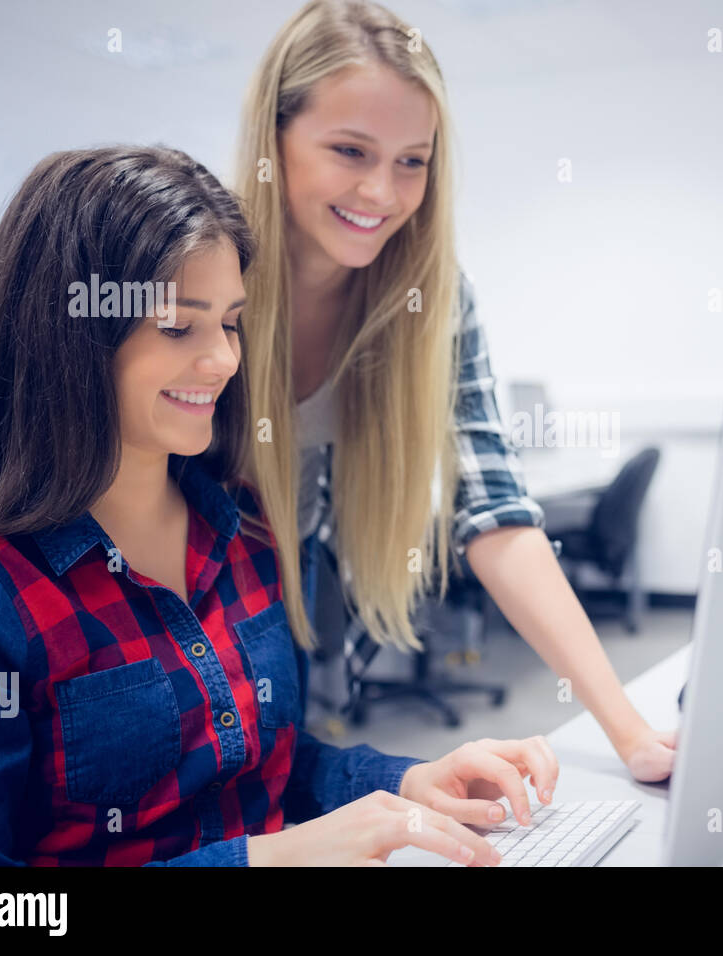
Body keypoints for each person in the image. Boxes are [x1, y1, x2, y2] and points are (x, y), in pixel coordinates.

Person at [0, 145, 555, 866]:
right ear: (68, 337)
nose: (224, 358)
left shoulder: (242, 524)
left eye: (230, 322)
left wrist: (405, 781)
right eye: (179, 325)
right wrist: (260, 862)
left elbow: (266, 767)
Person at [235, 0, 677, 781]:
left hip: (289, 579)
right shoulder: (205, 269)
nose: (382, 190)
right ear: (275, 137)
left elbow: (496, 511)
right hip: (173, 588)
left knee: (275, 782)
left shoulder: (428, 294)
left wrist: (631, 732)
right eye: (349, 149)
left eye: (413, 159)